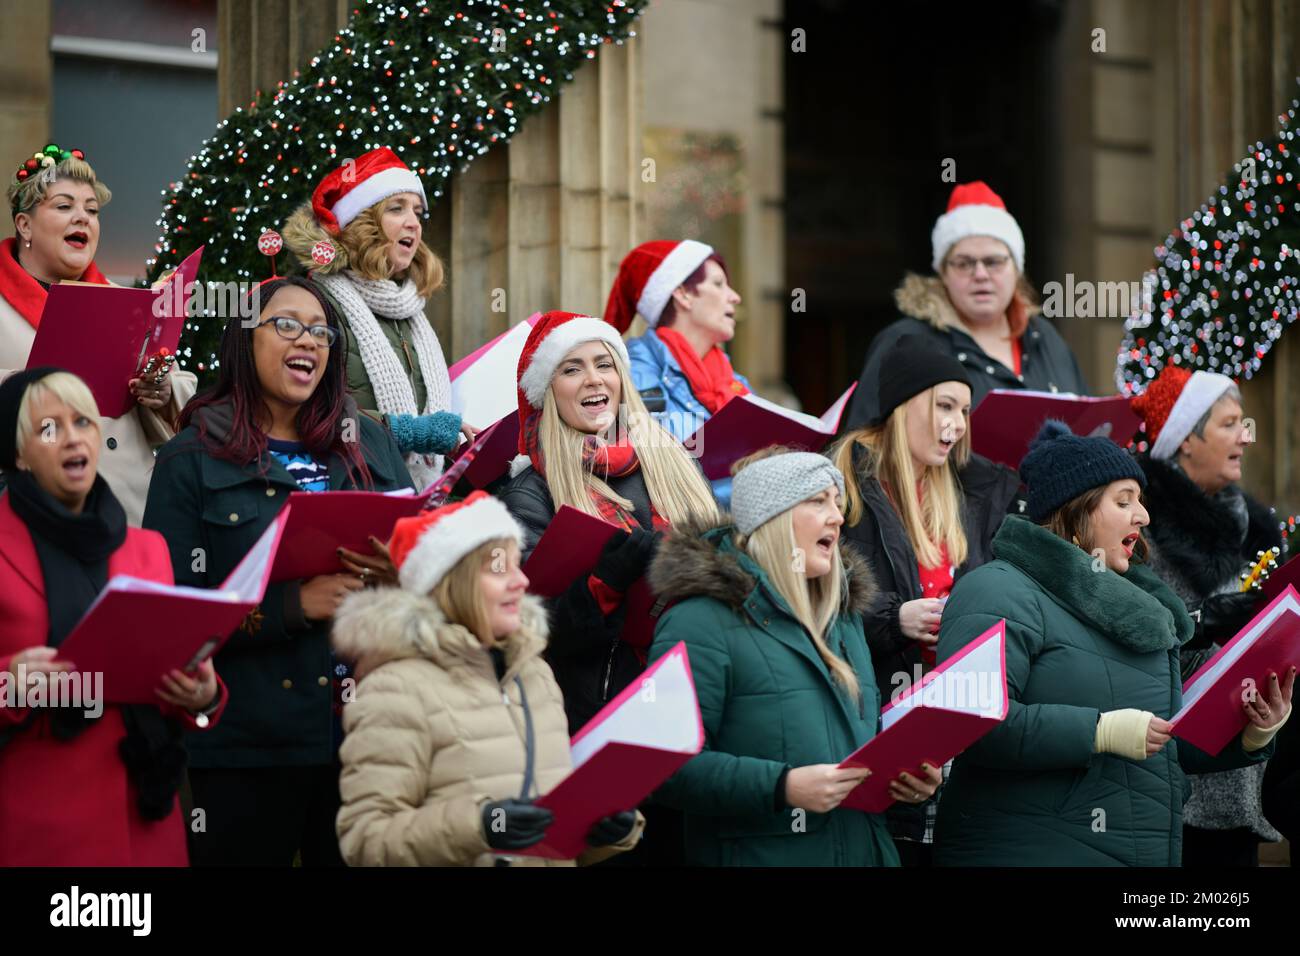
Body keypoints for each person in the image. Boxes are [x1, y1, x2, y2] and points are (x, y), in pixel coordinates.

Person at [142, 276, 414, 866]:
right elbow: (171, 616)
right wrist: (292, 605)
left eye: (321, 331)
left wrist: (406, 568)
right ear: (245, 337)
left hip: (374, 740)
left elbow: (428, 559)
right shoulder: (189, 458)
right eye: (286, 325)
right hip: (251, 745)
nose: (308, 341)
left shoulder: (365, 439)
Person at [933, 420, 1292, 866]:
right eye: (1124, 501)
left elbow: (1159, 741)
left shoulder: (1138, 608)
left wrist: (1253, 732)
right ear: (1074, 510)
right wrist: (1097, 731)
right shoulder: (996, 590)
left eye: (1140, 501)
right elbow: (972, 724)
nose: (1142, 515)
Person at [644, 448, 941, 866]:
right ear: (774, 519)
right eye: (818, 501)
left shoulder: (844, 620)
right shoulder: (698, 622)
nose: (837, 517)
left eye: (837, 503)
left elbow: (853, 744)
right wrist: (782, 787)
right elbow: (664, 767)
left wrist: (903, 779)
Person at [332, 490, 643, 866]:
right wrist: (481, 826)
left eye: (517, 565)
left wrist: (602, 830)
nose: (522, 582)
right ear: (452, 583)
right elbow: (366, 842)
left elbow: (547, 829)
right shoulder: (393, 689)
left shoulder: (534, 673)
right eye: (500, 568)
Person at [0, 367, 224, 865]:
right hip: (41, 833)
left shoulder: (149, 549)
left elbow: (172, 678)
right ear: (17, 455)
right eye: (48, 429)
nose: (72, 437)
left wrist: (203, 695)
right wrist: (8, 685)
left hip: (147, 825)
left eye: (83, 421)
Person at [829, 336, 1018, 863]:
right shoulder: (843, 480)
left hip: (951, 722)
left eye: (964, 410)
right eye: (944, 406)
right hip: (874, 717)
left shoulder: (960, 490)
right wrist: (895, 617)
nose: (957, 425)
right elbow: (813, 594)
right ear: (903, 405)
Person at [498, 310, 719, 735]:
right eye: (572, 369)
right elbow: (527, 627)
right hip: (602, 705)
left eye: (604, 364)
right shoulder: (530, 493)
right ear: (548, 392)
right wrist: (604, 585)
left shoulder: (676, 458)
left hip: (698, 681)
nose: (594, 379)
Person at [1131, 363, 1286, 865]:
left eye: (1244, 423)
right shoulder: (1139, 526)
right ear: (1184, 440)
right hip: (1167, 771)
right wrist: (1202, 621)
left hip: (1249, 760)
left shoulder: (1256, 527)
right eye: (1227, 424)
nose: (1245, 436)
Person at [2, 145, 194, 523]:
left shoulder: (129, 304)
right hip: (27, 507)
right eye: (64, 206)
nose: (83, 219)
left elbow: (185, 395)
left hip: (125, 506)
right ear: (24, 225)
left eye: (91, 210)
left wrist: (162, 390)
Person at [284, 146, 470, 489]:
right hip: (347, 488)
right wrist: (410, 431)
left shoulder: (410, 306)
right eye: (396, 208)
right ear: (362, 224)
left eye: (417, 211)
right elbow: (302, 409)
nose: (413, 221)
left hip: (416, 490)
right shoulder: (316, 301)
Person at [845, 181, 1087, 430]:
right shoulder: (903, 342)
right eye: (963, 263)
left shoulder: (1046, 338)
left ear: (1016, 270)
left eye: (994, 262)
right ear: (943, 274)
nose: (980, 274)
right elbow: (863, 446)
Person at [604, 239, 750, 504]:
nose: (735, 296)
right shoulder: (629, 376)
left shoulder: (736, 383)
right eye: (718, 284)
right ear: (682, 294)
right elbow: (650, 477)